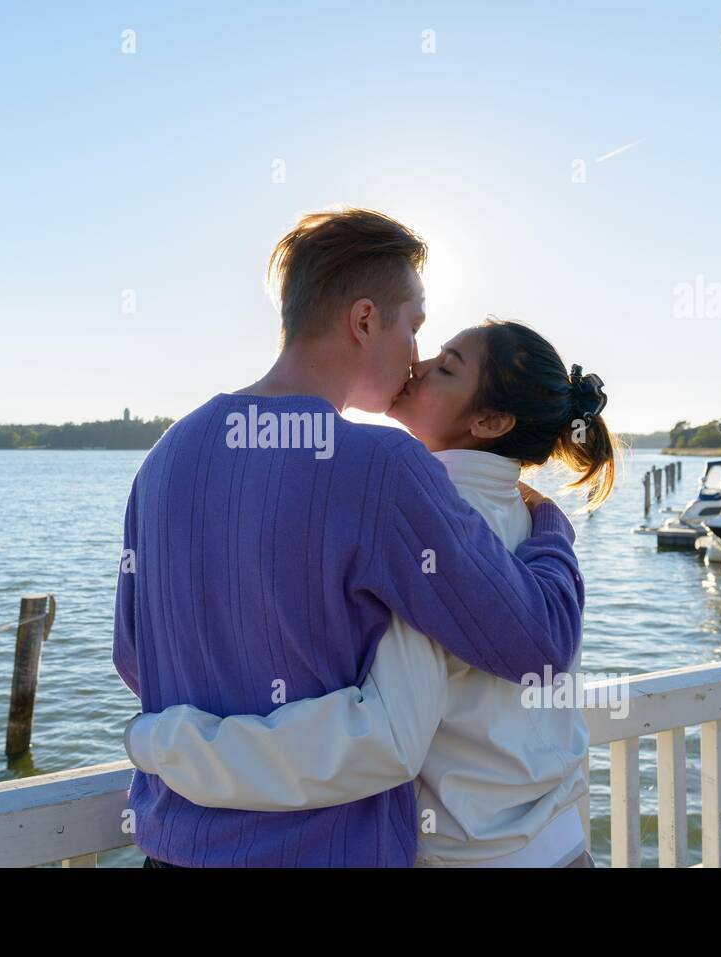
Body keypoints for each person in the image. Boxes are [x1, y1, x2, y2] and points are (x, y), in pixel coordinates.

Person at [112, 209, 585, 867]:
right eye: (414, 327)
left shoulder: (161, 462)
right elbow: (534, 639)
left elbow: (136, 659)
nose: (417, 359)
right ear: (365, 321)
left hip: (173, 846)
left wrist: (185, 739)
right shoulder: (384, 468)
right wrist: (548, 525)